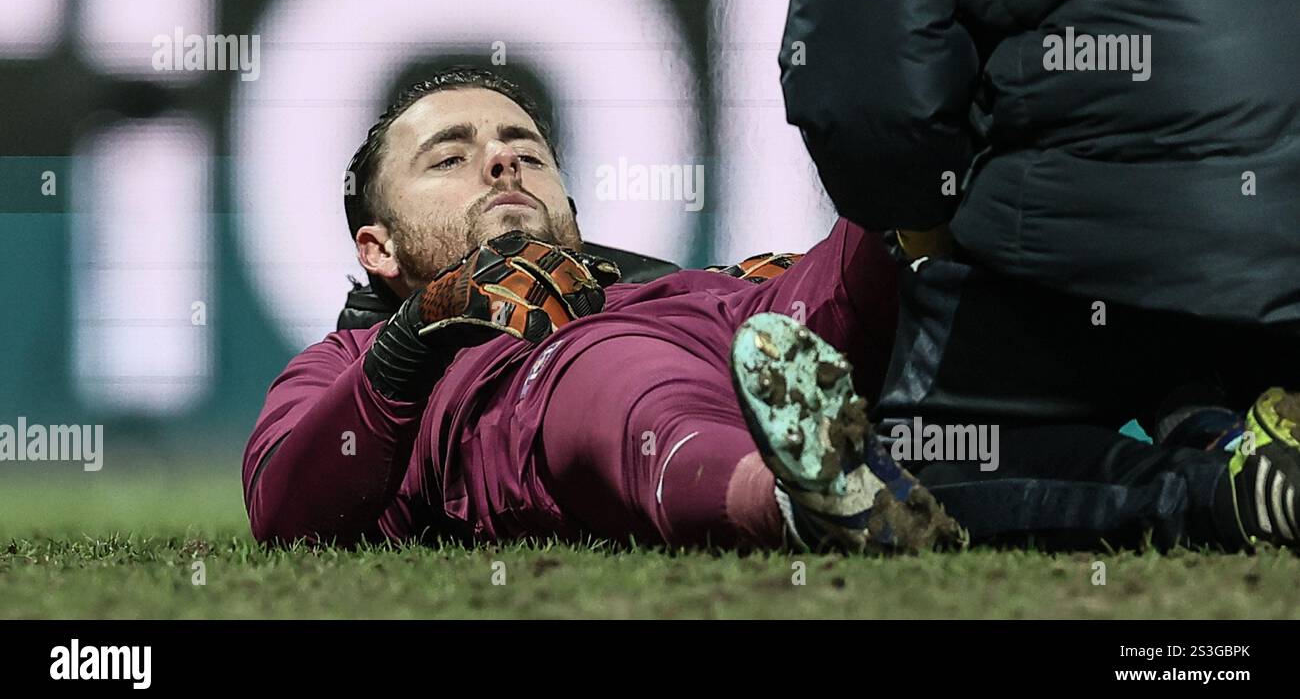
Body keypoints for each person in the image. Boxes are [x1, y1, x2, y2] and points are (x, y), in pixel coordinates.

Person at [778, 0, 1300, 548]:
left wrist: (916, 221)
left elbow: (867, 47)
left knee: (925, 461)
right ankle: (1216, 418)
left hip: (1133, 192)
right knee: (1192, 331)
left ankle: (1221, 493)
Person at [242, 65, 963, 554]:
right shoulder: (356, 363)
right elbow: (283, 514)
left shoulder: (676, 287)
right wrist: (418, 333)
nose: (503, 162)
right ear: (380, 249)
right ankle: (793, 500)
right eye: (448, 158)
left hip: (723, 320)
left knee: (889, 205)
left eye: (524, 149)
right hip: (553, 379)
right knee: (603, 367)